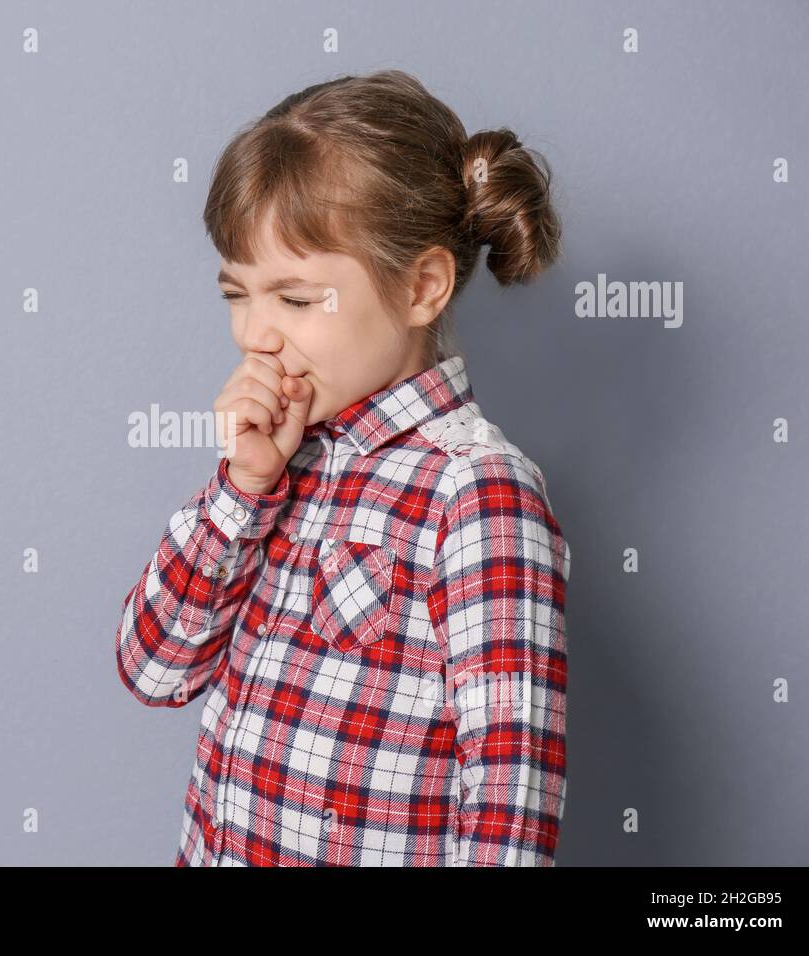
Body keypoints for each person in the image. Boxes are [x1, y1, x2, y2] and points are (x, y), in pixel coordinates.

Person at [115, 69, 571, 866]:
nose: (254, 333)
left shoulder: (478, 493)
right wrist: (242, 487)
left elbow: (509, 815)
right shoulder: (281, 460)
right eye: (237, 294)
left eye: (295, 300)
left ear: (423, 286)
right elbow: (154, 669)